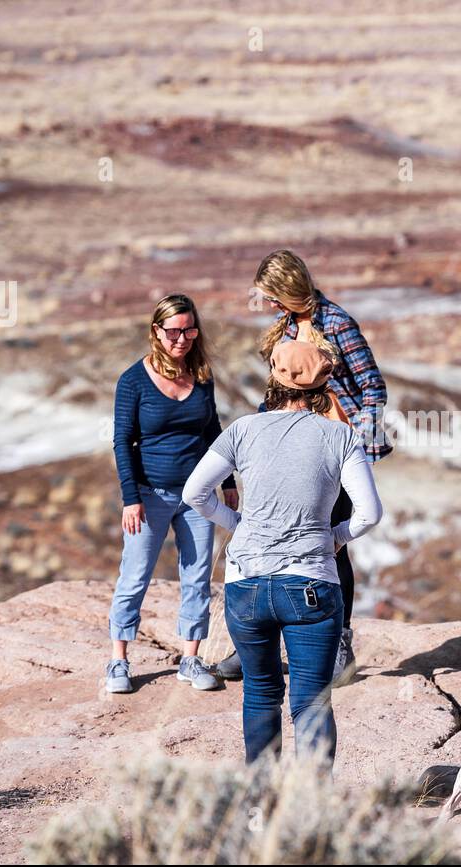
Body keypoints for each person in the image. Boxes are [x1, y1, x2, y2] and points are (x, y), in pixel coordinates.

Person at [182, 340, 383, 763]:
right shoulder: (341, 436)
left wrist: (235, 523)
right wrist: (337, 536)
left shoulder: (241, 429)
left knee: (259, 692)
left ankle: (261, 808)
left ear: (274, 376)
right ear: (321, 385)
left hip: (245, 583)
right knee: (311, 702)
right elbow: (370, 513)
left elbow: (194, 492)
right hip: (310, 582)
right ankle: (310, 815)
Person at [214, 249, 390, 687]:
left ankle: (339, 647)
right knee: (271, 533)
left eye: (272, 295)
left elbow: (372, 385)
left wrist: (360, 442)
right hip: (287, 443)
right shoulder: (291, 326)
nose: (268, 305)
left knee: (332, 546)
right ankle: (256, 642)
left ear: (289, 287)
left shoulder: (337, 323)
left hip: (332, 450)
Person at [105, 293, 238, 694]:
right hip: (150, 495)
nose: (182, 339)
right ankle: (118, 661)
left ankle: (191, 658)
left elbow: (212, 430)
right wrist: (131, 497)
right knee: (135, 576)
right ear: (156, 332)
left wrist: (228, 481)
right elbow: (122, 442)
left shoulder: (202, 375)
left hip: (197, 495)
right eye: (174, 331)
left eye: (190, 330)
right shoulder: (132, 381)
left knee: (198, 577)